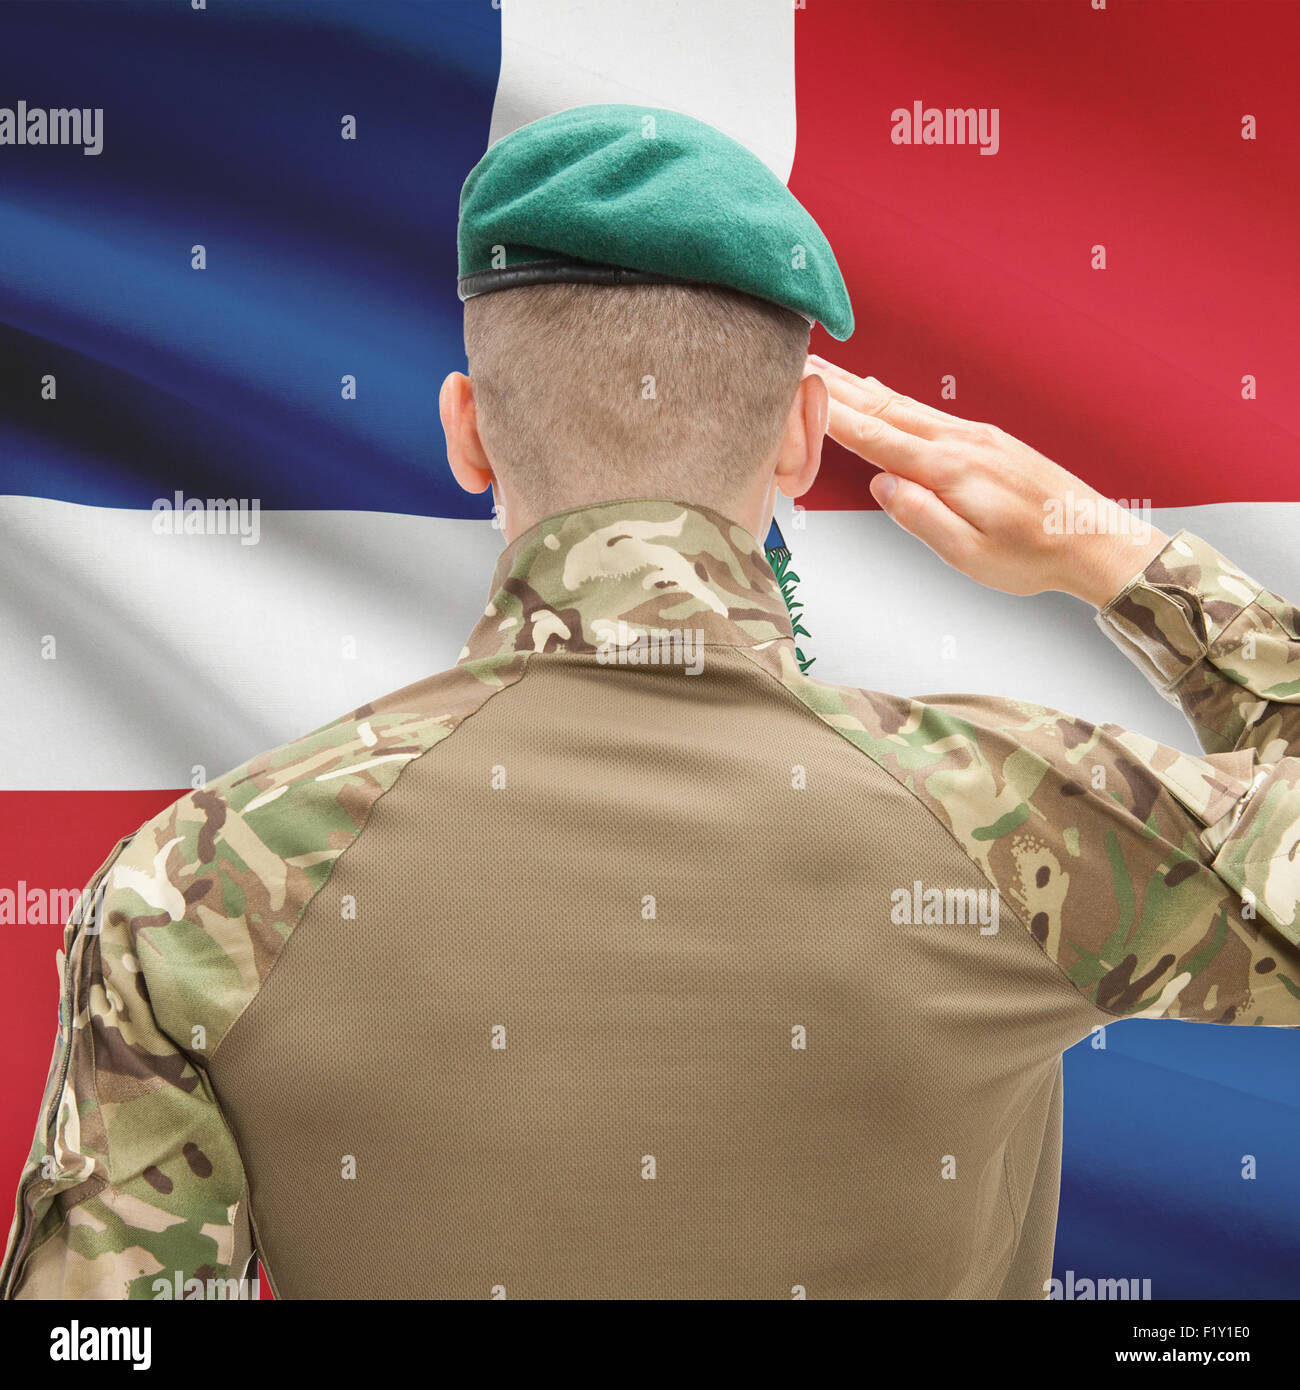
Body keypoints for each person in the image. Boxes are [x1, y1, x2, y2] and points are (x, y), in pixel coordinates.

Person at [2, 105, 1295, 1301]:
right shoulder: (1019, 816)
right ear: (800, 437)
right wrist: (1116, 558)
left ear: (467, 431)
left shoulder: (198, 882)